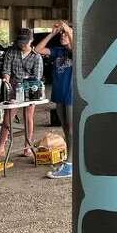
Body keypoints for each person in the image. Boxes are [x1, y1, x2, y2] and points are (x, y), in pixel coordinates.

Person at [0, 26, 43, 159]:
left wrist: (27, 85)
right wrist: (6, 82)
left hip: (30, 88)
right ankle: (1, 147)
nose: (22, 44)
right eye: (20, 41)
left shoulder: (36, 57)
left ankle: (28, 147)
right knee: (7, 118)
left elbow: (36, 77)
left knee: (28, 117)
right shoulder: (11, 52)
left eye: (25, 42)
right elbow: (6, 71)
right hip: (13, 88)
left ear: (31, 41)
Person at [36, 20, 73, 179]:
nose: (62, 36)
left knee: (72, 130)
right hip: (59, 95)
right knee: (65, 129)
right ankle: (70, 161)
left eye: (65, 34)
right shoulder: (59, 51)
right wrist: (53, 33)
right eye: (62, 34)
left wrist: (69, 31)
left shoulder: (76, 51)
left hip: (72, 95)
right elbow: (38, 49)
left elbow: (77, 48)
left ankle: (70, 165)